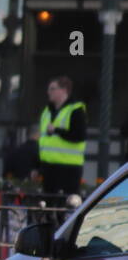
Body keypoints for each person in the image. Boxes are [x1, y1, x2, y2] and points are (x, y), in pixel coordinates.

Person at [37, 76, 86, 206]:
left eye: (53, 88)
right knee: (48, 203)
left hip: (69, 167)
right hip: (49, 166)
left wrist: (57, 130)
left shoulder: (76, 110)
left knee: (68, 204)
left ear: (64, 90)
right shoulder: (47, 111)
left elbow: (79, 136)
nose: (49, 92)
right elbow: (43, 140)